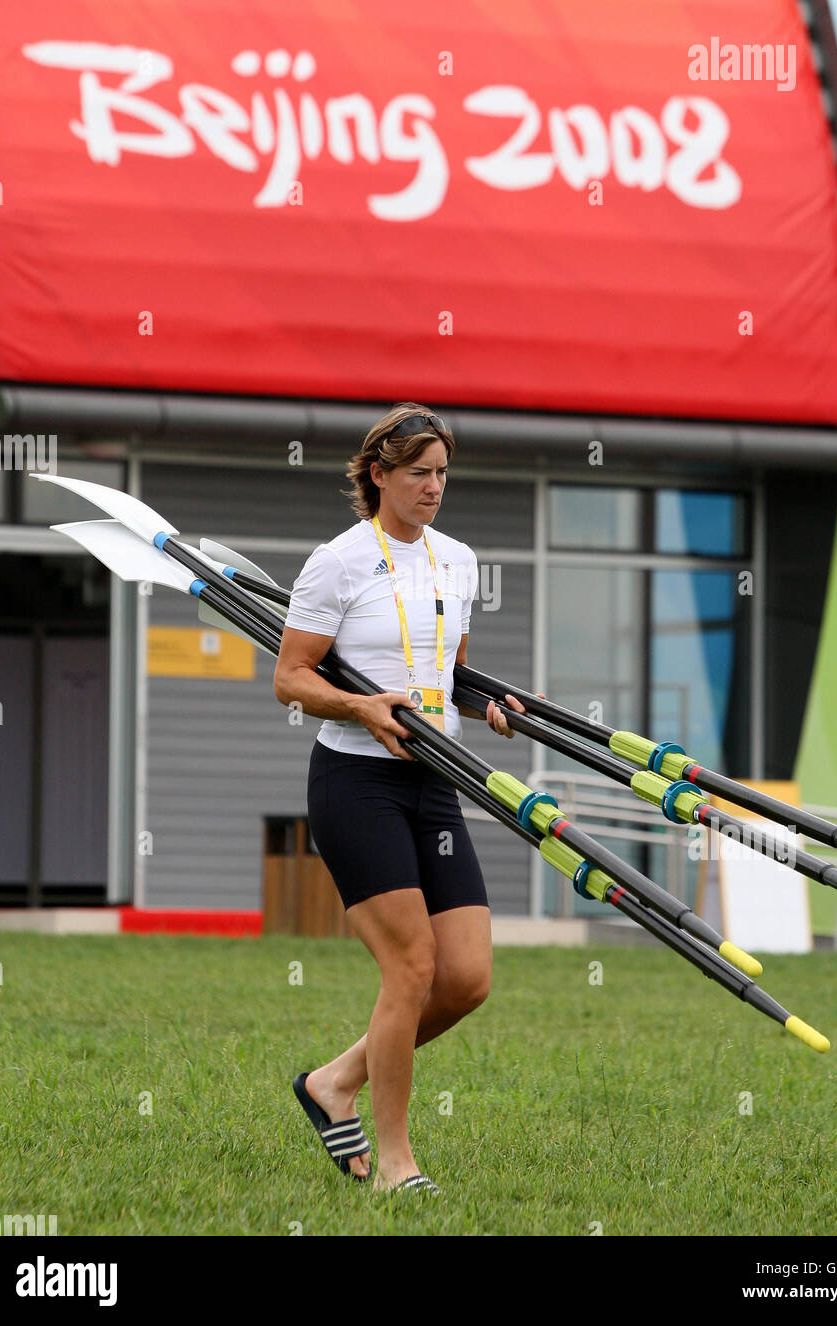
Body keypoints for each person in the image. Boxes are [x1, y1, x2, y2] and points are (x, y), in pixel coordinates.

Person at [274, 402, 523, 1194]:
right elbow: (291, 676)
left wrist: (487, 702)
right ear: (378, 474)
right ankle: (395, 1164)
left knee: (466, 980)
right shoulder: (338, 561)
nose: (433, 487)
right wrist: (359, 705)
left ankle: (333, 1080)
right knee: (411, 968)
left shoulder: (458, 559)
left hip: (433, 778)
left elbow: (444, 667)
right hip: (357, 782)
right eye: (418, 473)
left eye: (442, 472)